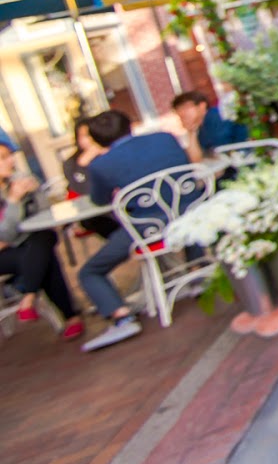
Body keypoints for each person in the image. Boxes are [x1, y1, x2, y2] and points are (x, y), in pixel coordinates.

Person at [78, 110, 190, 353]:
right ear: (130, 125)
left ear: (98, 141)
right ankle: (197, 269)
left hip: (150, 227)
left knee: (89, 271)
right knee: (178, 207)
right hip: (193, 212)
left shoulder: (102, 165)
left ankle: (121, 317)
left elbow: (99, 201)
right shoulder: (165, 138)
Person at [0, 136, 85, 341]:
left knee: (43, 239)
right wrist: (13, 200)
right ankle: (68, 315)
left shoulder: (20, 181)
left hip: (24, 246)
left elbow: (45, 216)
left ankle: (29, 297)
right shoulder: (12, 192)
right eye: (3, 158)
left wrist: (34, 192)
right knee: (42, 251)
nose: (11, 161)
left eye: (10, 156)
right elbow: (5, 235)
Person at [62, 118, 119, 238]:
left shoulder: (111, 153)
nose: (90, 140)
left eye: (91, 135)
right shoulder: (71, 163)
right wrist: (82, 166)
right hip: (93, 211)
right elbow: (80, 189)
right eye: (84, 136)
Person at [172, 91, 249, 164]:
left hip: (247, 156)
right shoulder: (200, 130)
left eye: (185, 107)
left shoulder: (216, 115)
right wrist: (191, 132)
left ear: (202, 106)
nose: (181, 113)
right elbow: (196, 160)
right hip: (234, 161)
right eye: (177, 110)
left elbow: (221, 147)